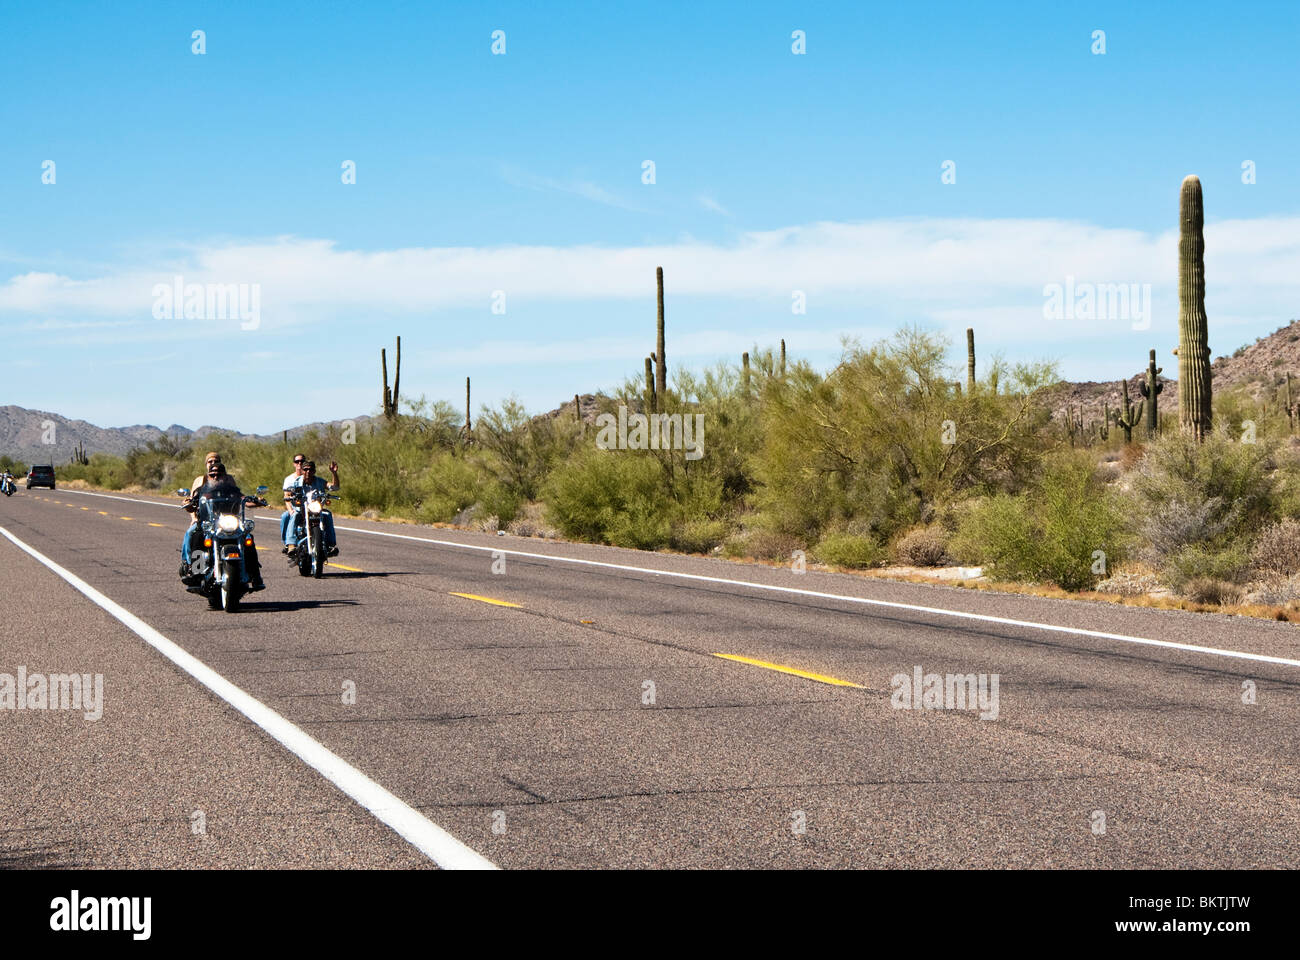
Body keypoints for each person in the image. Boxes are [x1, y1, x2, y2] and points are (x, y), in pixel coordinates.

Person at [179, 452, 265, 590]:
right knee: (195, 535)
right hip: (208, 522)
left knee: (248, 538)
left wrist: (256, 501)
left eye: (218, 475)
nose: (215, 477)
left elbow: (242, 498)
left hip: (229, 522)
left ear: (224, 475)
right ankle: (196, 572)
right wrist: (189, 503)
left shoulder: (230, 486)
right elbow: (192, 501)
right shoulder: (202, 485)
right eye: (212, 475)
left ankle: (255, 575)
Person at [285, 459, 340, 556]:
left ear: (314, 471)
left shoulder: (319, 481)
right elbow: (288, 494)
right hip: (301, 508)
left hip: (316, 509)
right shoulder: (296, 482)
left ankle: (330, 545)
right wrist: (290, 496)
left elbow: (335, 487)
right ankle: (291, 544)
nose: (308, 472)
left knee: (327, 515)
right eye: (305, 469)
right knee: (294, 515)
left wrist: (334, 473)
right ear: (302, 471)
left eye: (310, 470)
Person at [279, 453, 307, 550]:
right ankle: (287, 543)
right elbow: (286, 496)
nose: (299, 463)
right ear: (294, 464)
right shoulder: (289, 479)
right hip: (295, 507)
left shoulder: (309, 478)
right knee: (285, 516)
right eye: (297, 461)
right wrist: (290, 510)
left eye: (302, 461)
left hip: (308, 507)